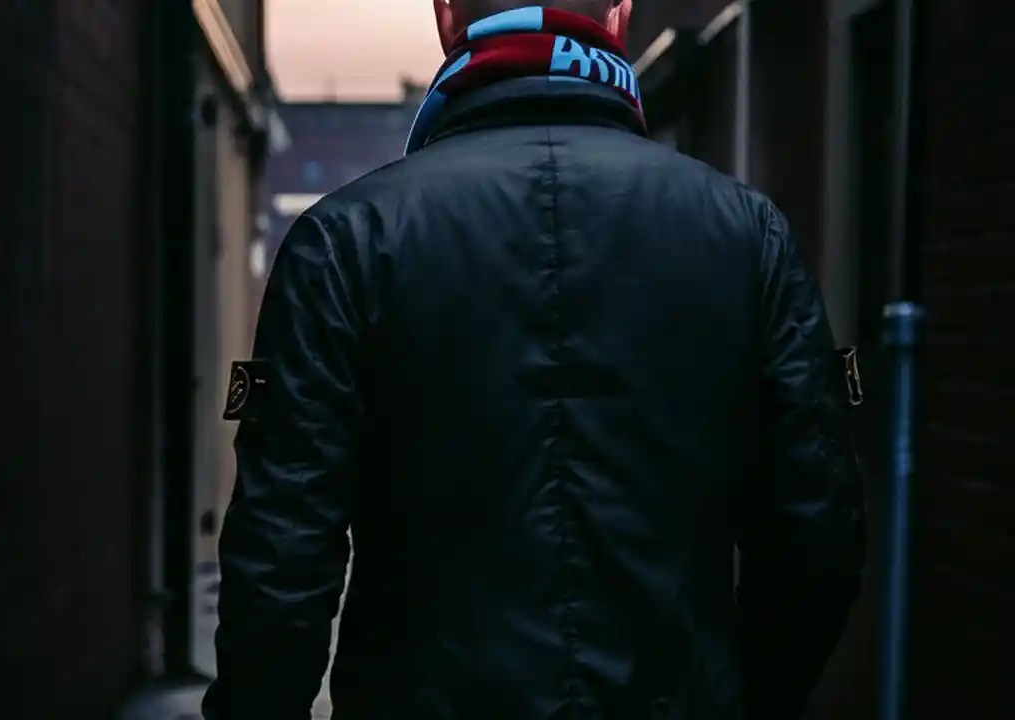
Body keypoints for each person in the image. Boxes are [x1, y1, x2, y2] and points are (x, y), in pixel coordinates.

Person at [203, 1, 866, 718]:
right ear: (618, 15)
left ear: (446, 15)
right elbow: (816, 528)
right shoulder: (748, 237)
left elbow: (282, 554)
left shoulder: (346, 240)